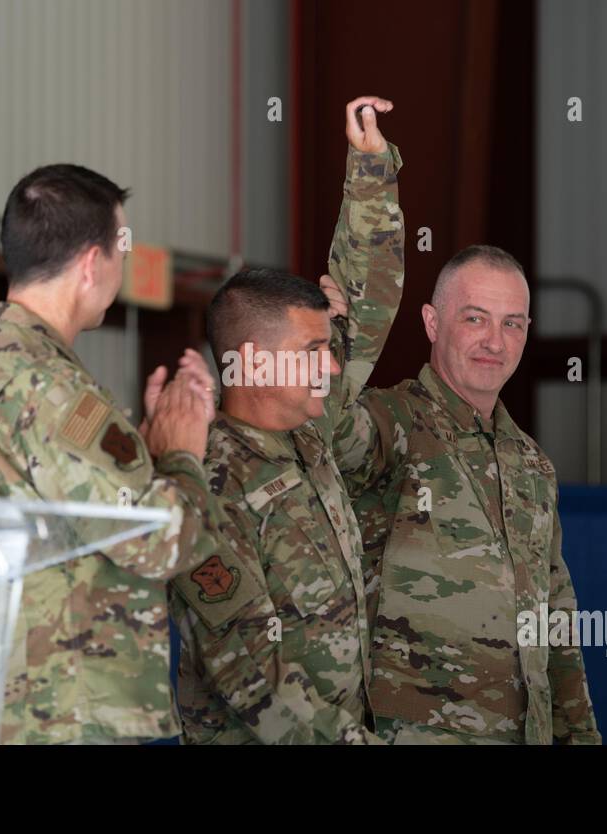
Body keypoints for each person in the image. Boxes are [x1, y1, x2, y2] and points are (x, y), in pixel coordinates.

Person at [0, 163, 222, 744]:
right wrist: (183, 452)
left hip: (2, 706)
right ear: (91, 264)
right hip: (63, 711)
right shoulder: (47, 387)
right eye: (121, 248)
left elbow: (62, 503)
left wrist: (140, 448)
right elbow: (162, 541)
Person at [170, 97, 404, 744]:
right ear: (253, 363)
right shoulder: (211, 477)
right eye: (312, 353)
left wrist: (371, 170)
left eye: (327, 350)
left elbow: (366, 297)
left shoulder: (310, 423)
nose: (332, 368)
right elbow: (246, 671)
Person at [339, 244, 602, 744]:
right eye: (475, 318)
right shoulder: (388, 423)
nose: (494, 342)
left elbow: (557, 622)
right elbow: (325, 419)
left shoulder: (533, 464)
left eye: (512, 324)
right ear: (432, 322)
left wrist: (580, 736)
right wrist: (343, 333)